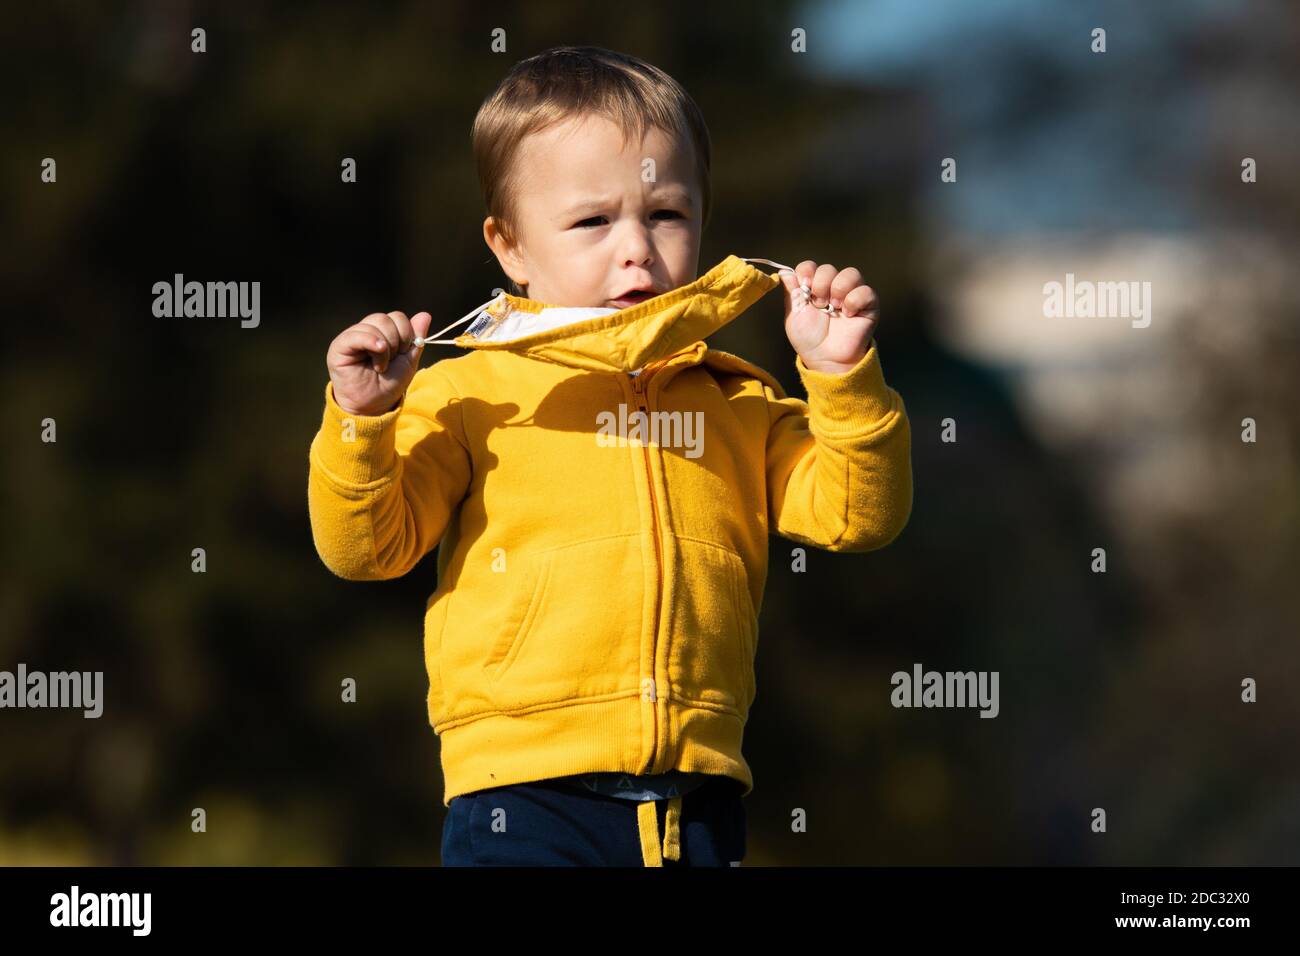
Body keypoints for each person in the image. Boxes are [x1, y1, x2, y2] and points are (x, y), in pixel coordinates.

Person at [307, 45, 912, 866]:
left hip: (696, 794)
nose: (636, 248)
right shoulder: (468, 392)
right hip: (520, 792)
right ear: (509, 245)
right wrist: (362, 422)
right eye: (593, 221)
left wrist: (841, 378)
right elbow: (366, 549)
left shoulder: (737, 401)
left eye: (665, 214)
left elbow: (860, 515)